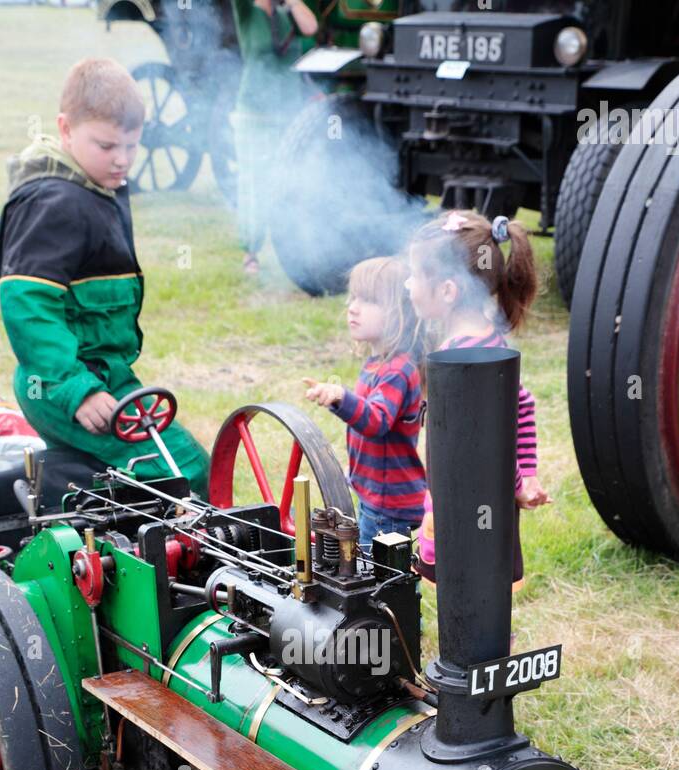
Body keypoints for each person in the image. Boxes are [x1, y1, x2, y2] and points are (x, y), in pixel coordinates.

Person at [0, 58, 209, 495]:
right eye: (107, 146)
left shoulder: (94, 190)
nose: (122, 160)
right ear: (65, 128)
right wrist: (79, 390)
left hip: (105, 374)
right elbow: (28, 310)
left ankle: (91, 518)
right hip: (59, 381)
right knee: (182, 469)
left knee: (151, 470)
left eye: (132, 146)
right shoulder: (54, 203)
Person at [404, 209, 550, 585]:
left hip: (466, 506)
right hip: (477, 503)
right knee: (484, 585)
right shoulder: (485, 338)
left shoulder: (461, 360)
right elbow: (523, 404)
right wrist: (527, 475)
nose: (408, 285)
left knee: (467, 588)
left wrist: (517, 484)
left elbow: (493, 442)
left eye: (415, 276)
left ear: (448, 291)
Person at [303, 256, 425, 548]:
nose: (352, 307)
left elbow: (376, 421)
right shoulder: (377, 363)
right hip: (374, 494)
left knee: (385, 579)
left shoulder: (398, 370)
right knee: (382, 572)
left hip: (389, 502)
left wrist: (342, 397)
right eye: (353, 297)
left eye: (368, 300)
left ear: (398, 313)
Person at [230, 0, 318, 275]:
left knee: (292, 181)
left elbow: (311, 27)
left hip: (287, 113)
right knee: (253, 183)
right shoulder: (246, 10)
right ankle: (251, 252)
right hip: (254, 114)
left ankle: (293, 250)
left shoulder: (286, 14)